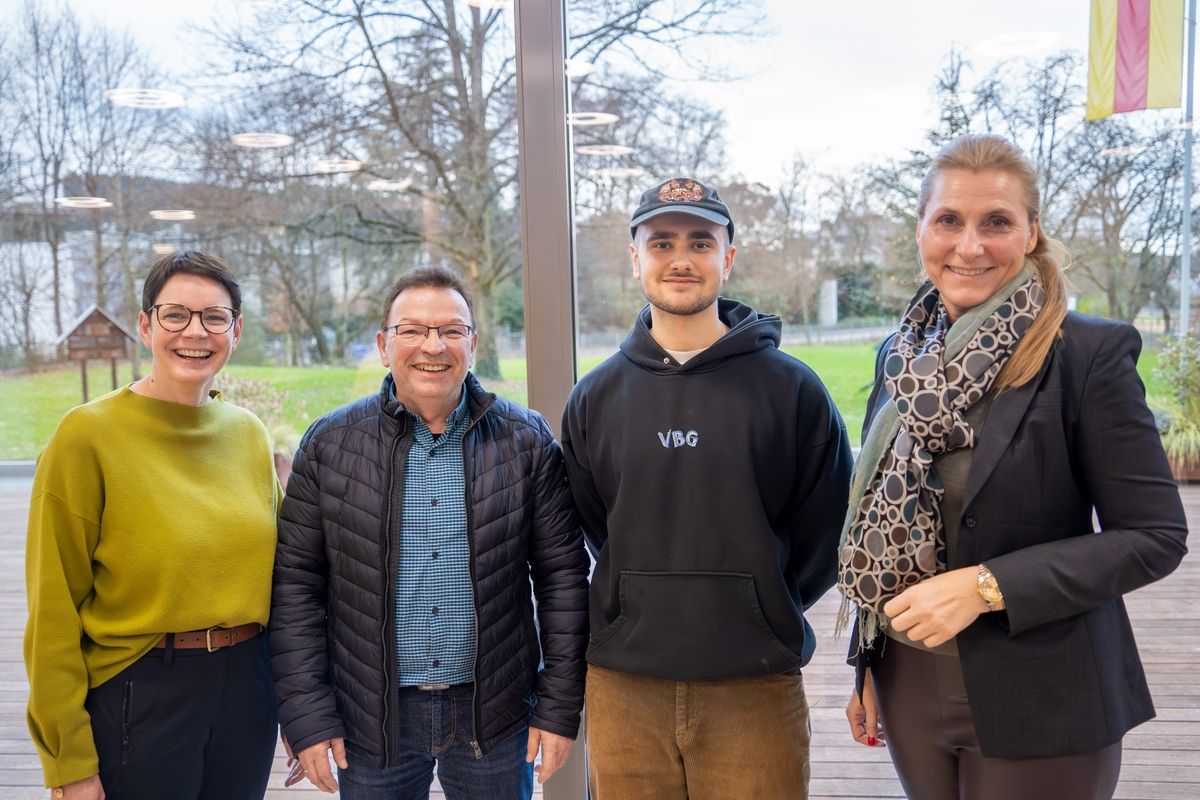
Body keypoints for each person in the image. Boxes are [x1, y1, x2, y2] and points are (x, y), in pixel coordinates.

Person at [841, 134, 1190, 800]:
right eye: (948, 220)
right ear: (921, 230)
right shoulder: (902, 353)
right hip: (909, 685)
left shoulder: (1086, 354)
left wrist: (986, 586)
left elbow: (1155, 537)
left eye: (996, 222)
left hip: (1044, 696)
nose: (968, 245)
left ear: (1031, 233)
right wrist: (865, 663)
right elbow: (872, 522)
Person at [561, 178, 854, 800]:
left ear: (728, 256)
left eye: (701, 241)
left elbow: (825, 534)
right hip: (624, 682)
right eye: (661, 242)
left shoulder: (792, 391)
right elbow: (594, 523)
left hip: (754, 683)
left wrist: (756, 603)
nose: (681, 258)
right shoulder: (596, 397)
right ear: (635, 257)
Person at [270, 264, 589, 799]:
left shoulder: (527, 440)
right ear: (383, 344)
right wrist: (307, 713)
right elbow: (297, 587)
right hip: (369, 718)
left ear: (473, 343)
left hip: (495, 713)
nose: (432, 346)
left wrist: (558, 709)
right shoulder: (329, 444)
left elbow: (562, 579)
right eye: (412, 330)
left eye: (450, 330)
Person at [24, 251, 280, 800]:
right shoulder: (85, 437)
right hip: (140, 688)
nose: (195, 332)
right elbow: (52, 612)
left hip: (248, 690)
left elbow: (287, 580)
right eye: (175, 315)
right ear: (145, 326)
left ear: (235, 330)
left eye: (214, 316)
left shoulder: (248, 435)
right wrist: (69, 761)